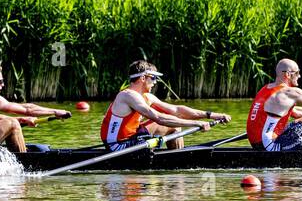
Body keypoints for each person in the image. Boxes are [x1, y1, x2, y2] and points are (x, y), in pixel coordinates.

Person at [99, 61, 230, 151]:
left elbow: (177, 110)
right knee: (172, 124)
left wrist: (211, 115)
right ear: (143, 78)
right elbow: (158, 118)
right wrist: (196, 124)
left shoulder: (146, 96)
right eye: (153, 78)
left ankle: (177, 158)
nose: (155, 82)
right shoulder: (128, 96)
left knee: (174, 123)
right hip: (117, 146)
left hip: (131, 139)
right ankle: (179, 162)